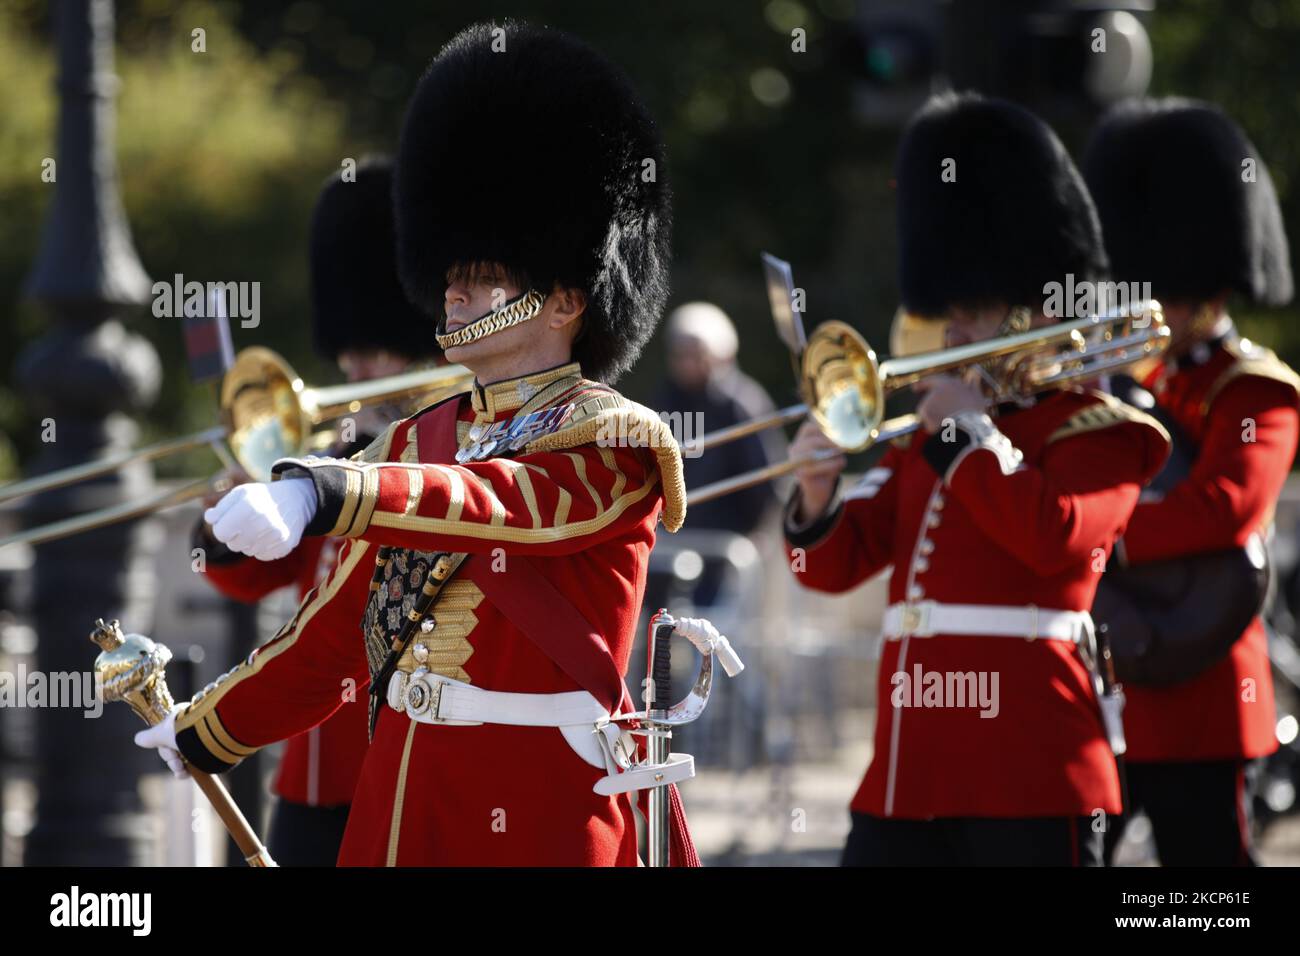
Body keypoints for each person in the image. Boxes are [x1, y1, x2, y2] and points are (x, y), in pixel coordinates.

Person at [136, 22, 694, 866]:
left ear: (563, 299)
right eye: (452, 274)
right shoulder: (420, 436)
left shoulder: (614, 440)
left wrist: (324, 491)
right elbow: (332, 636)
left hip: (540, 810)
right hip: (400, 804)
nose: (454, 293)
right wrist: (209, 730)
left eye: (483, 276)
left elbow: (499, 504)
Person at [783, 92, 1169, 866]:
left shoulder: (1105, 433)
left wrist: (964, 433)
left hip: (1027, 767)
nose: (952, 334)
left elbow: (1052, 540)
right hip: (906, 768)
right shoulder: (929, 432)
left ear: (1032, 312)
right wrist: (817, 491)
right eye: (949, 312)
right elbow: (835, 567)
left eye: (976, 313)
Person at [191, 157, 442, 865]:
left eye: (375, 350)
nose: (356, 370)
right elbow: (254, 578)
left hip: (405, 753)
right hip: (314, 757)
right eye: (351, 351)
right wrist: (231, 511)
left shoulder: (454, 453)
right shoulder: (337, 447)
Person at [1083, 98, 1300, 866]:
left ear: (1207, 289)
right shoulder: (1125, 380)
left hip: (1201, 675)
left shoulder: (1256, 390)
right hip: (1112, 678)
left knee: (1207, 894)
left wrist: (1086, 535)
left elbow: (1222, 511)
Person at [649, 302, 780, 605]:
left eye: (695, 354)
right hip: (670, 552)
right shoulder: (665, 401)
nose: (687, 363)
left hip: (726, 557)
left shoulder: (742, 405)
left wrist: (752, 537)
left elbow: (767, 482)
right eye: (679, 354)